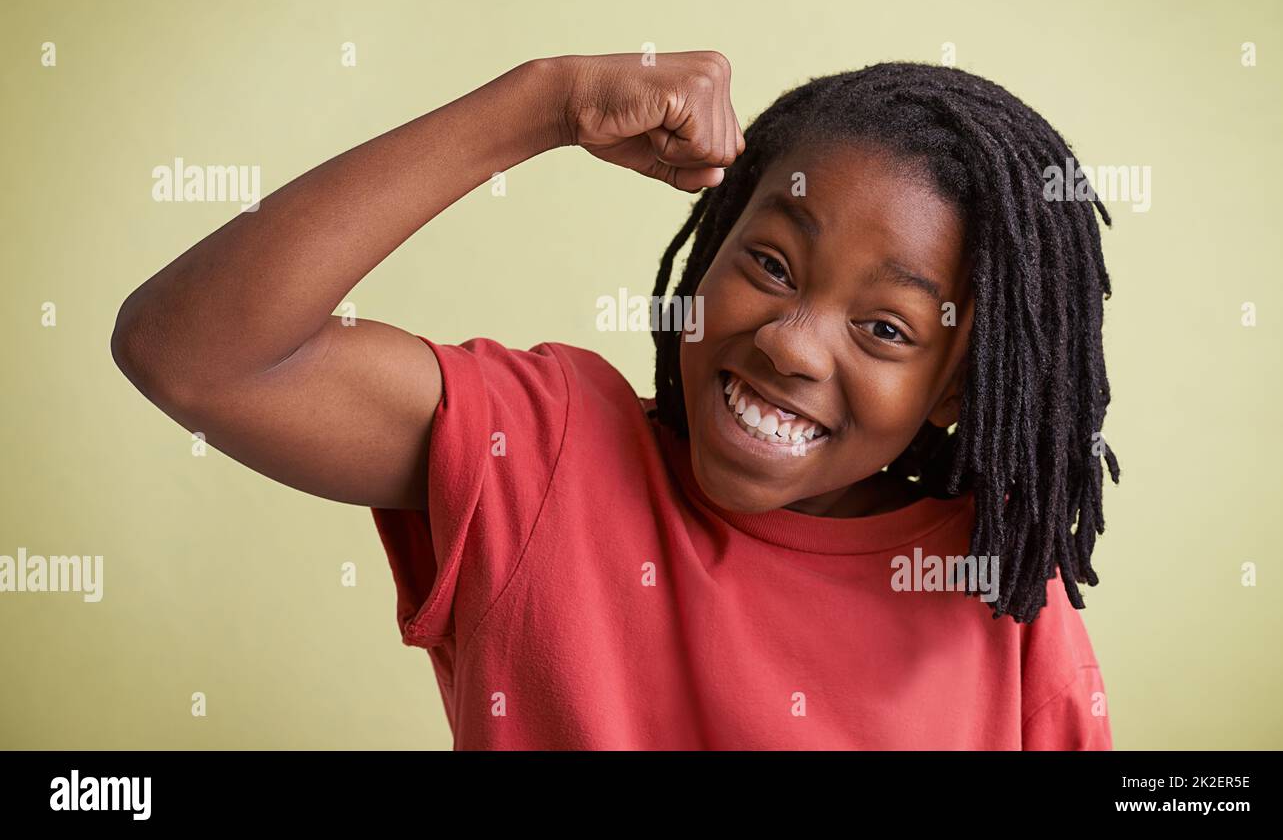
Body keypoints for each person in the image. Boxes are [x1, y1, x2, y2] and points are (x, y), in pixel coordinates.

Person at [111, 51, 1120, 749]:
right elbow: (194, 355)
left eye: (886, 329)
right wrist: (539, 103)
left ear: (954, 392)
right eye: (768, 263)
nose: (789, 341)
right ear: (709, 242)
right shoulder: (546, 451)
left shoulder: (1001, 592)